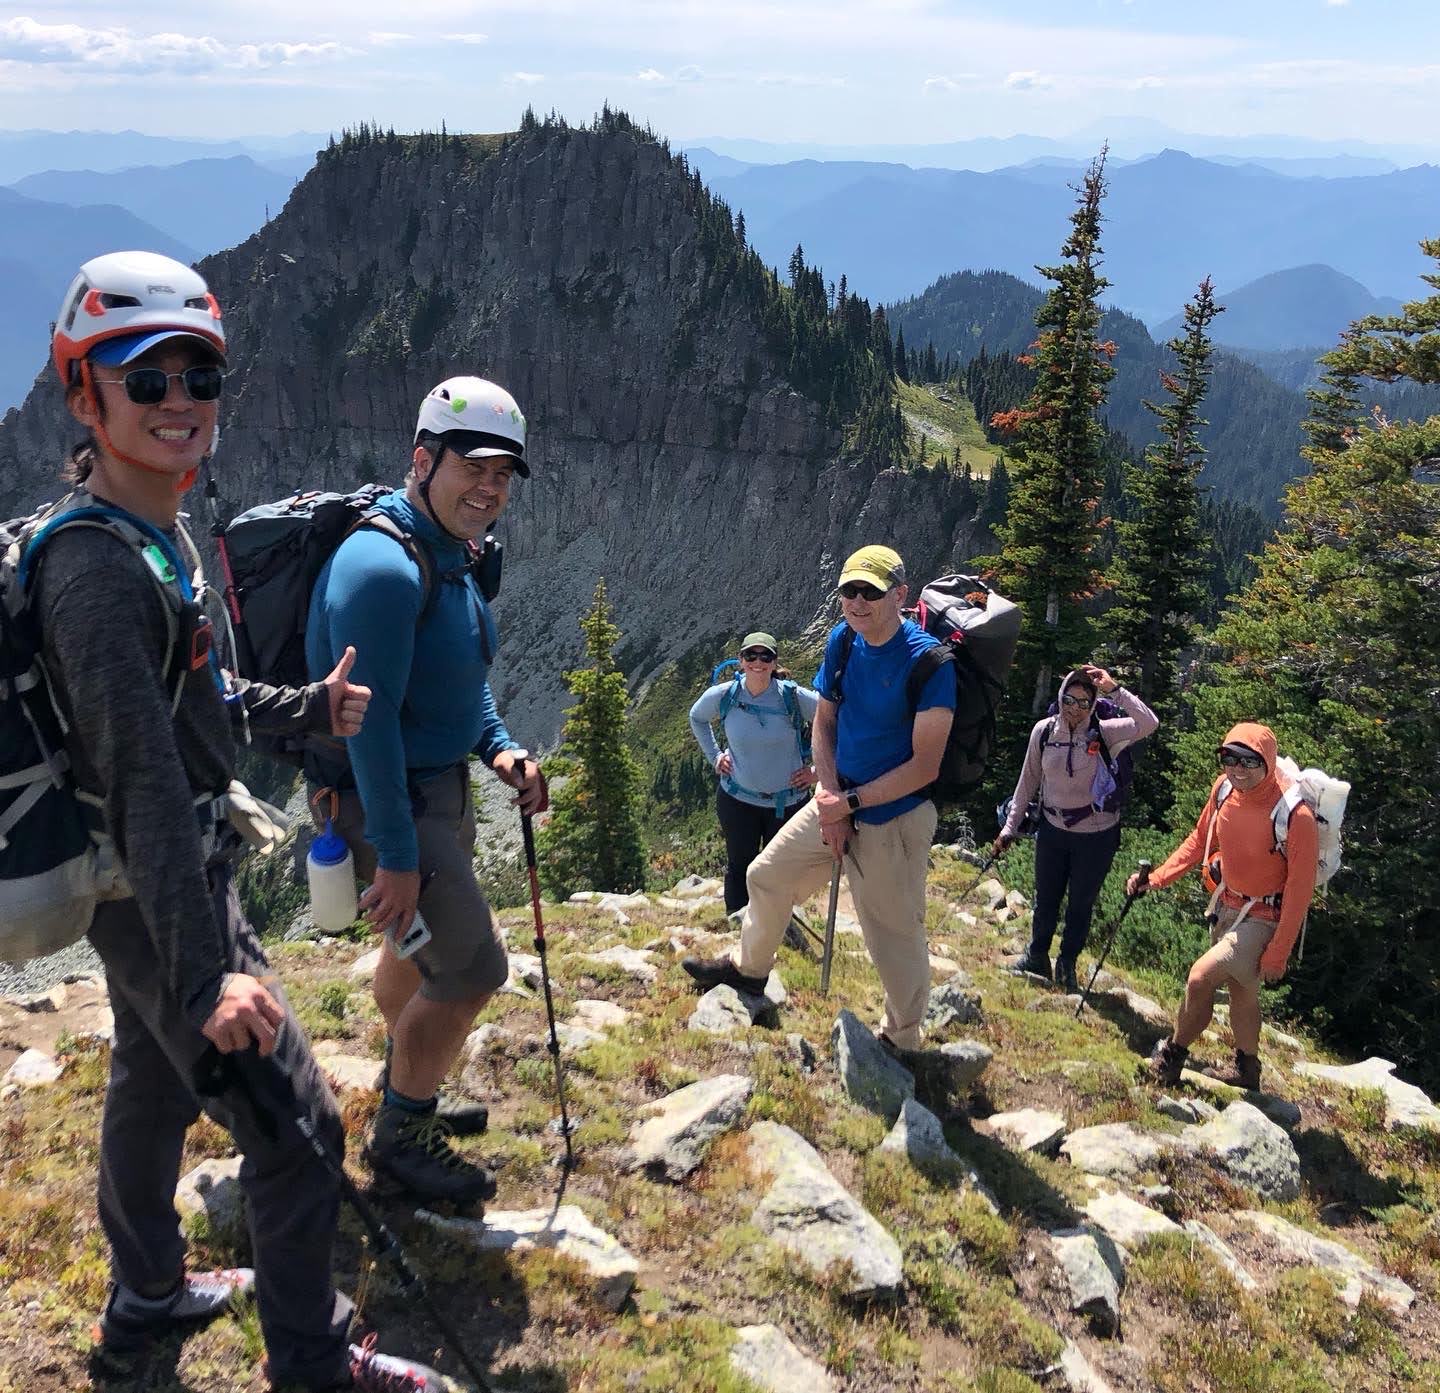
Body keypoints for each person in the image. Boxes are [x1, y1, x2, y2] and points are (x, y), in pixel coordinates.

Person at [38, 251, 441, 1390]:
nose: (177, 400)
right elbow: (143, 785)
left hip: (145, 884)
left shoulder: (143, 535)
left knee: (148, 1082)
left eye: (199, 376)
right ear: (85, 393)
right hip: (160, 885)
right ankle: (313, 1366)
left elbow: (194, 699)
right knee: (302, 1129)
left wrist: (303, 707)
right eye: (142, 374)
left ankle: (147, 1298)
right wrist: (212, 972)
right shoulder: (98, 577)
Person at [306, 375, 546, 1206]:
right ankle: (403, 1136)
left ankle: (406, 1080)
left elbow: (462, 676)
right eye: (474, 466)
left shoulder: (452, 555)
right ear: (422, 458)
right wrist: (399, 858)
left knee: (414, 954)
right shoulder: (384, 568)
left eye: (505, 473)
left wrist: (500, 748)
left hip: (434, 786)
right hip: (387, 799)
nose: (491, 487)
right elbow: (363, 727)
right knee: (475, 963)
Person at [682, 546, 955, 1051]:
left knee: (892, 933)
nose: (856, 601)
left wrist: (846, 804)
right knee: (765, 875)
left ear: (900, 595)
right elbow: (825, 721)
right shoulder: (843, 641)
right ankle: (749, 971)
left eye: (870, 591)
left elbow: (925, 766)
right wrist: (830, 798)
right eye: (849, 590)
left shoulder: (930, 664)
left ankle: (904, 1038)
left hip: (895, 815)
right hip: (838, 799)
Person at [1137, 723, 1318, 1092]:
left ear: (1267, 761)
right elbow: (1199, 840)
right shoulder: (1223, 791)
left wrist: (1278, 952)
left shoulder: (1296, 816)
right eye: (1228, 758)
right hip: (1228, 907)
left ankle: (1171, 1058)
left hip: (1265, 918)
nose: (1237, 768)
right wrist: (1155, 878)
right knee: (1241, 990)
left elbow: (1300, 890)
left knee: (1200, 976)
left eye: (1249, 761)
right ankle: (1248, 1071)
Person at [993, 666, 1158, 992]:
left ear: (1093, 704)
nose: (1075, 708)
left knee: (1081, 904)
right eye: (1070, 699)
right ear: (1061, 696)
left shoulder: (1106, 732)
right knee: (1046, 900)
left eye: (1084, 702)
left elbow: (1148, 723)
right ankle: (1036, 955)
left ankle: (1067, 963)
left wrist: (1115, 690)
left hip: (1097, 837)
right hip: (1053, 831)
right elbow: (1027, 783)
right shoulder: (1043, 732)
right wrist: (1008, 829)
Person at [688, 631, 819, 914]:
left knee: (779, 871)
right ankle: (738, 928)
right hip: (737, 801)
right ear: (741, 661)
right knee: (739, 867)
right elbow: (696, 718)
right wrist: (714, 756)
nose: (757, 662)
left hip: (787, 804)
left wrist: (817, 771)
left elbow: (835, 722)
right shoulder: (724, 695)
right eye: (751, 656)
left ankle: (774, 929)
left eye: (765, 656)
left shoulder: (794, 697)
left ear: (774, 662)